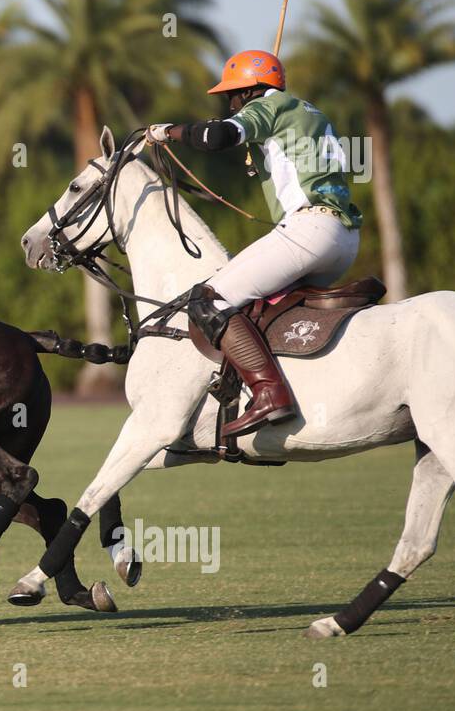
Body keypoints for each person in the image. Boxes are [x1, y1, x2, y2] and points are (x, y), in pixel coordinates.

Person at [145, 49, 363, 437]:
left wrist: (168, 132)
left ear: (249, 91)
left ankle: (268, 394)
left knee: (208, 299)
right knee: (258, 305)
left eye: (232, 95)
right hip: (344, 237)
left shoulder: (269, 106)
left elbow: (217, 135)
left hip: (309, 229)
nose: (229, 103)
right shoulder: (309, 111)